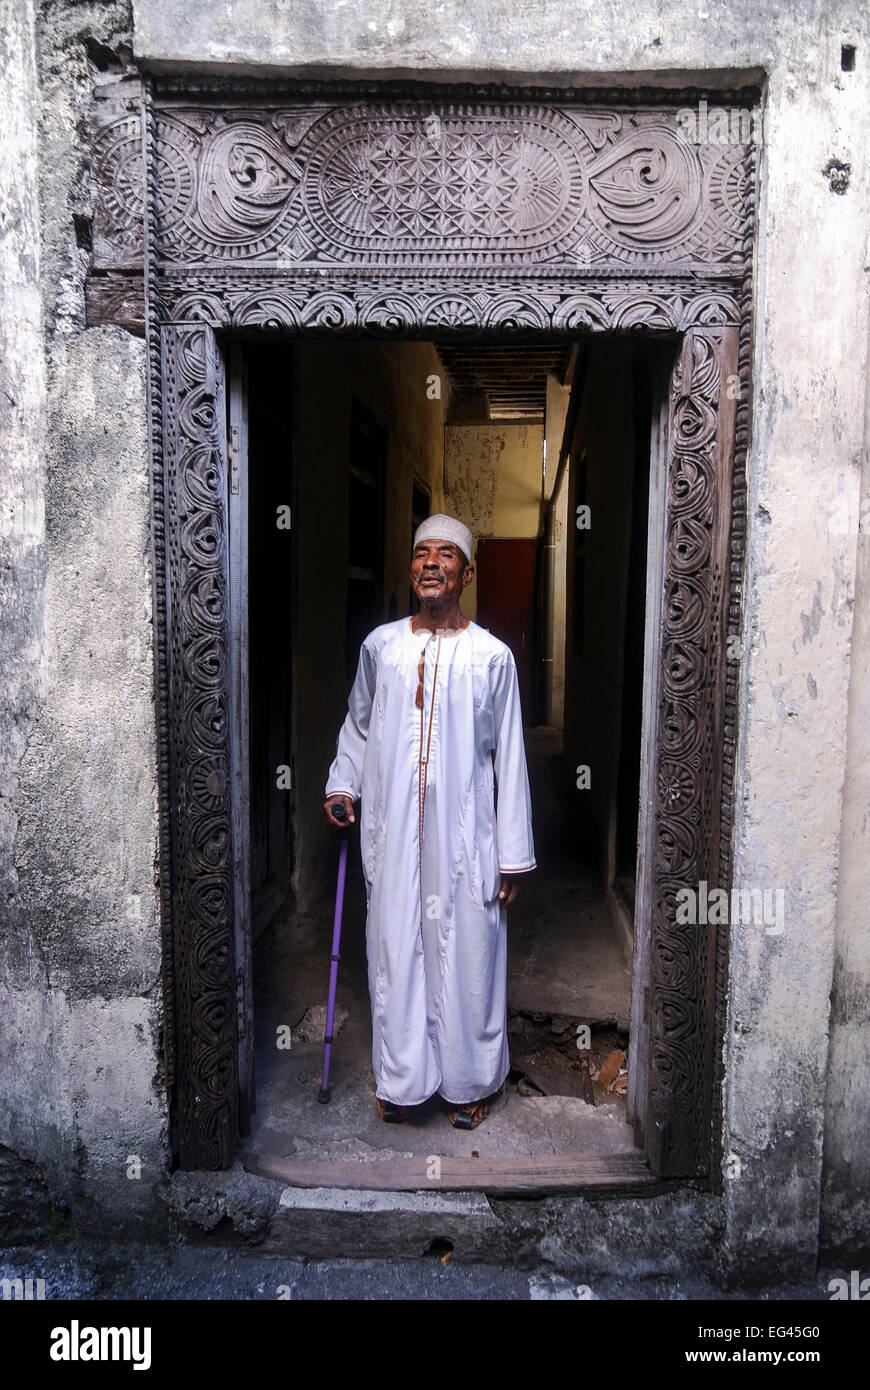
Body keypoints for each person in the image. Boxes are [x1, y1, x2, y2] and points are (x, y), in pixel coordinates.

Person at [322, 513, 535, 1129]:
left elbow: (512, 757)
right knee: (395, 948)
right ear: (411, 567)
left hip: (465, 837)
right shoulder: (382, 647)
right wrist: (342, 781)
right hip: (391, 833)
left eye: (446, 555)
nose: (431, 564)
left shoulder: (492, 658)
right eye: (421, 554)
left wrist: (512, 853)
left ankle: (470, 1080)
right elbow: (359, 725)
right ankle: (404, 1080)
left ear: (466, 573)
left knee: (468, 948)